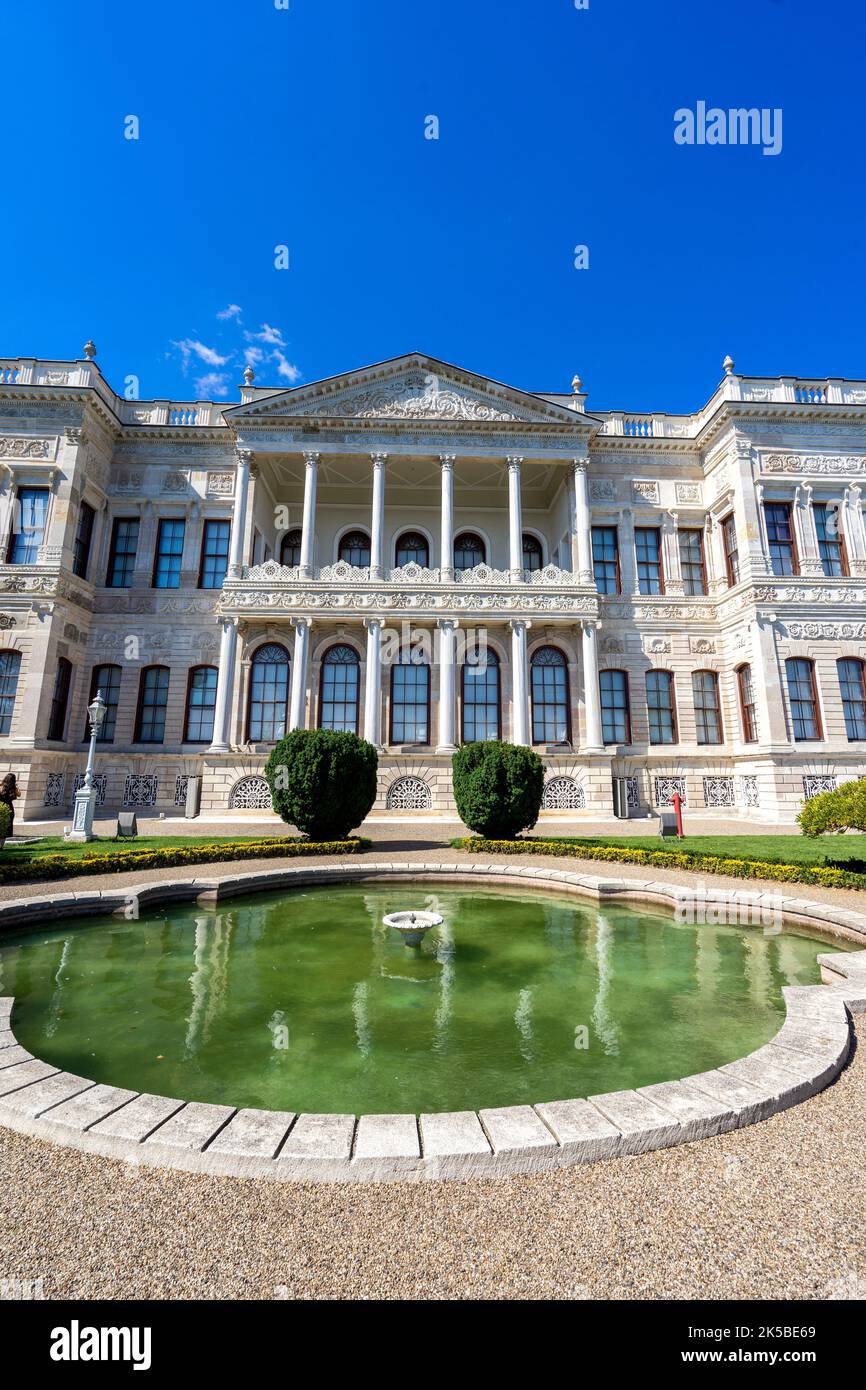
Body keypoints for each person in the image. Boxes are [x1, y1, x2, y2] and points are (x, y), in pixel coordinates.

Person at [0, 773, 19, 840]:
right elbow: (19, 794)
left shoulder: (1, 786)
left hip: (1, 806)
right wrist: (16, 788)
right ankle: (7, 836)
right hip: (9, 807)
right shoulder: (13, 788)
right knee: (9, 822)